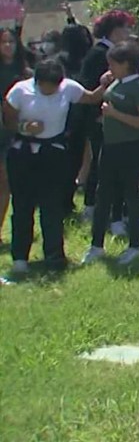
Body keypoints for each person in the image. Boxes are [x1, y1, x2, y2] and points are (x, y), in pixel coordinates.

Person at [3, 58, 107, 277]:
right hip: (23, 152)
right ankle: (20, 258)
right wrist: (25, 126)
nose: (51, 91)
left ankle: (54, 257)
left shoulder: (68, 87)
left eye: (55, 87)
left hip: (53, 152)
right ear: (37, 82)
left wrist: (105, 83)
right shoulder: (20, 91)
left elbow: (91, 97)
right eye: (47, 87)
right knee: (22, 206)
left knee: (52, 206)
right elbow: (8, 120)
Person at [81, 42, 139, 266]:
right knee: (103, 194)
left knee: (130, 193)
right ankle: (96, 245)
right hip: (110, 145)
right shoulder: (116, 82)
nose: (109, 67)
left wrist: (114, 114)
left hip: (131, 146)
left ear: (126, 64)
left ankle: (135, 246)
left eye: (113, 64)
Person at [78, 9, 134, 221]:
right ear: (114, 30)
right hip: (99, 116)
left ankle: (113, 207)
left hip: (115, 115)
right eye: (125, 28)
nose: (128, 32)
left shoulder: (117, 53)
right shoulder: (98, 54)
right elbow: (89, 86)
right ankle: (91, 205)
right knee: (100, 161)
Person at [0, 28, 33, 241]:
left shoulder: (25, 72)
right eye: (3, 42)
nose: (7, 46)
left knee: (5, 181)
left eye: (11, 42)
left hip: (15, 130)